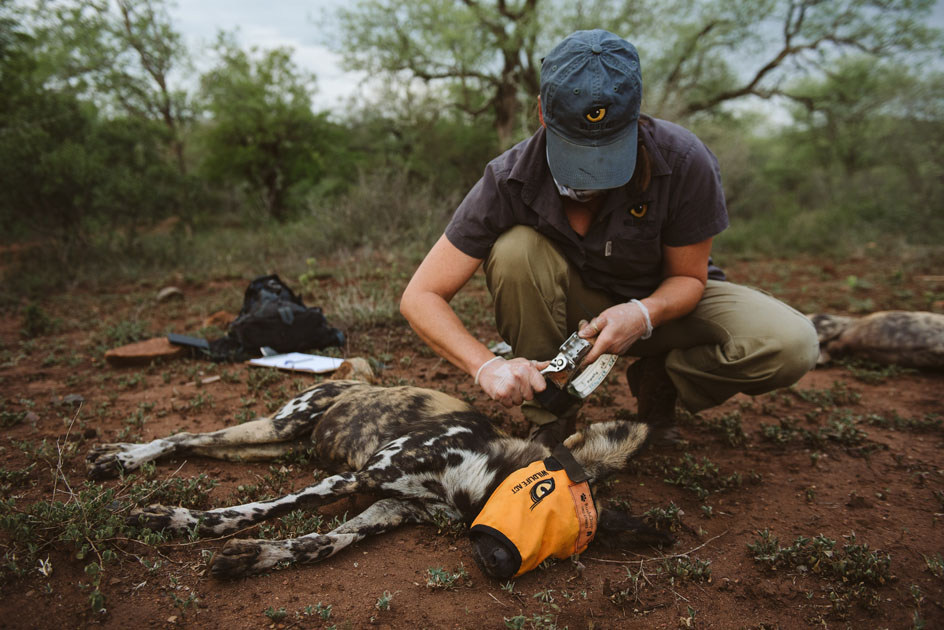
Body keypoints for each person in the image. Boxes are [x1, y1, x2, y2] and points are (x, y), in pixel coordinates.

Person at [400, 29, 819, 447]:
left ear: (636, 114)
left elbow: (689, 279)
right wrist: (486, 366)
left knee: (791, 344)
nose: (593, 176)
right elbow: (421, 296)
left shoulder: (685, 160)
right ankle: (551, 415)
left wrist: (643, 313)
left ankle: (663, 377)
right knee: (515, 251)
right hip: (570, 314)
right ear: (544, 112)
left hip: (663, 306)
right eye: (578, 148)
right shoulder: (508, 178)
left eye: (610, 146)